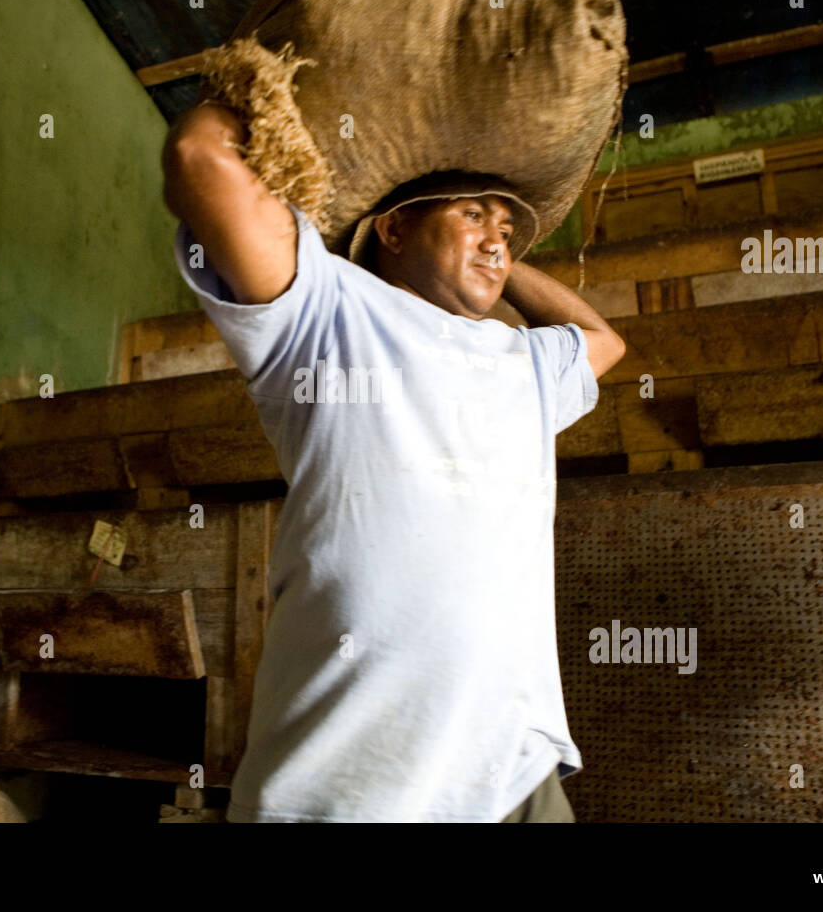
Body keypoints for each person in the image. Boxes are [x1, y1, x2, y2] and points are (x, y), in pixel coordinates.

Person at [162, 101, 626, 822]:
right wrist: (251, 90)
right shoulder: (331, 309)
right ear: (395, 225)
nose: (497, 240)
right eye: (473, 215)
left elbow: (602, 340)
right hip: (353, 780)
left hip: (513, 773)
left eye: (507, 229)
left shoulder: (525, 364)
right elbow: (200, 160)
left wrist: (501, 259)